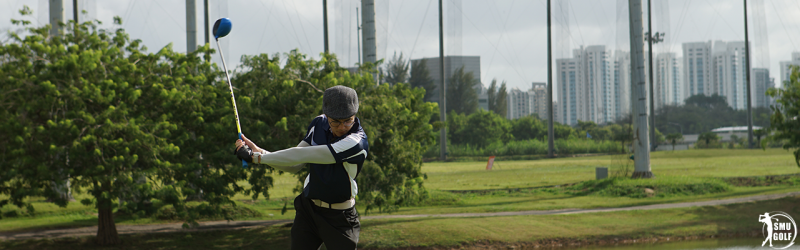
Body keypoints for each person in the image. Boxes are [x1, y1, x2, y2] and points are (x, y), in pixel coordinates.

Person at [234, 85, 368, 250]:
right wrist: (260, 152)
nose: (342, 127)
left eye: (348, 120)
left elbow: (302, 155)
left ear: (355, 114)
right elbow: (295, 164)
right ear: (327, 115)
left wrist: (256, 158)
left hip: (340, 218)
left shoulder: (356, 142)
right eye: (336, 121)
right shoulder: (319, 123)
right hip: (308, 211)